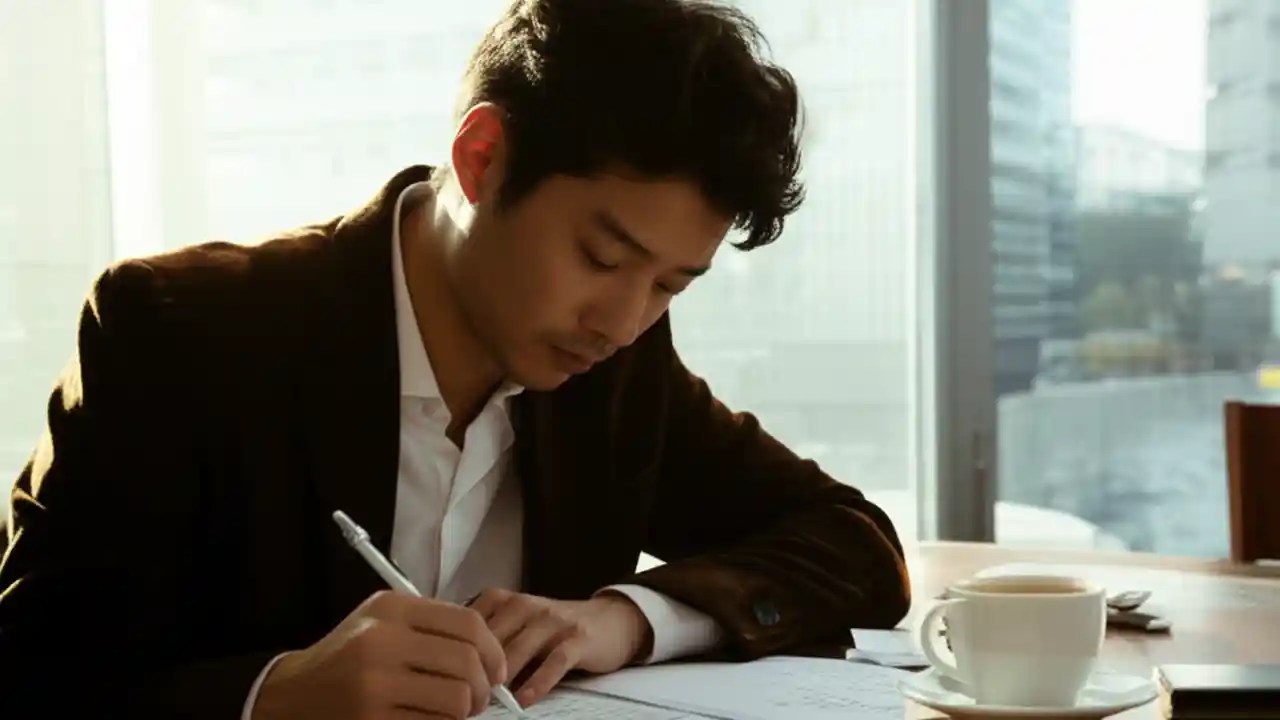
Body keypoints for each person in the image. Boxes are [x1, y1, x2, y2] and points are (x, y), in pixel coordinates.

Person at [0, 0, 911, 717]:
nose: (623, 320)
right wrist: (270, 696)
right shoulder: (179, 334)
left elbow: (856, 547)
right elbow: (32, 668)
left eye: (672, 284)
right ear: (481, 157)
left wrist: (621, 619)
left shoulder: (616, 366)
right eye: (602, 256)